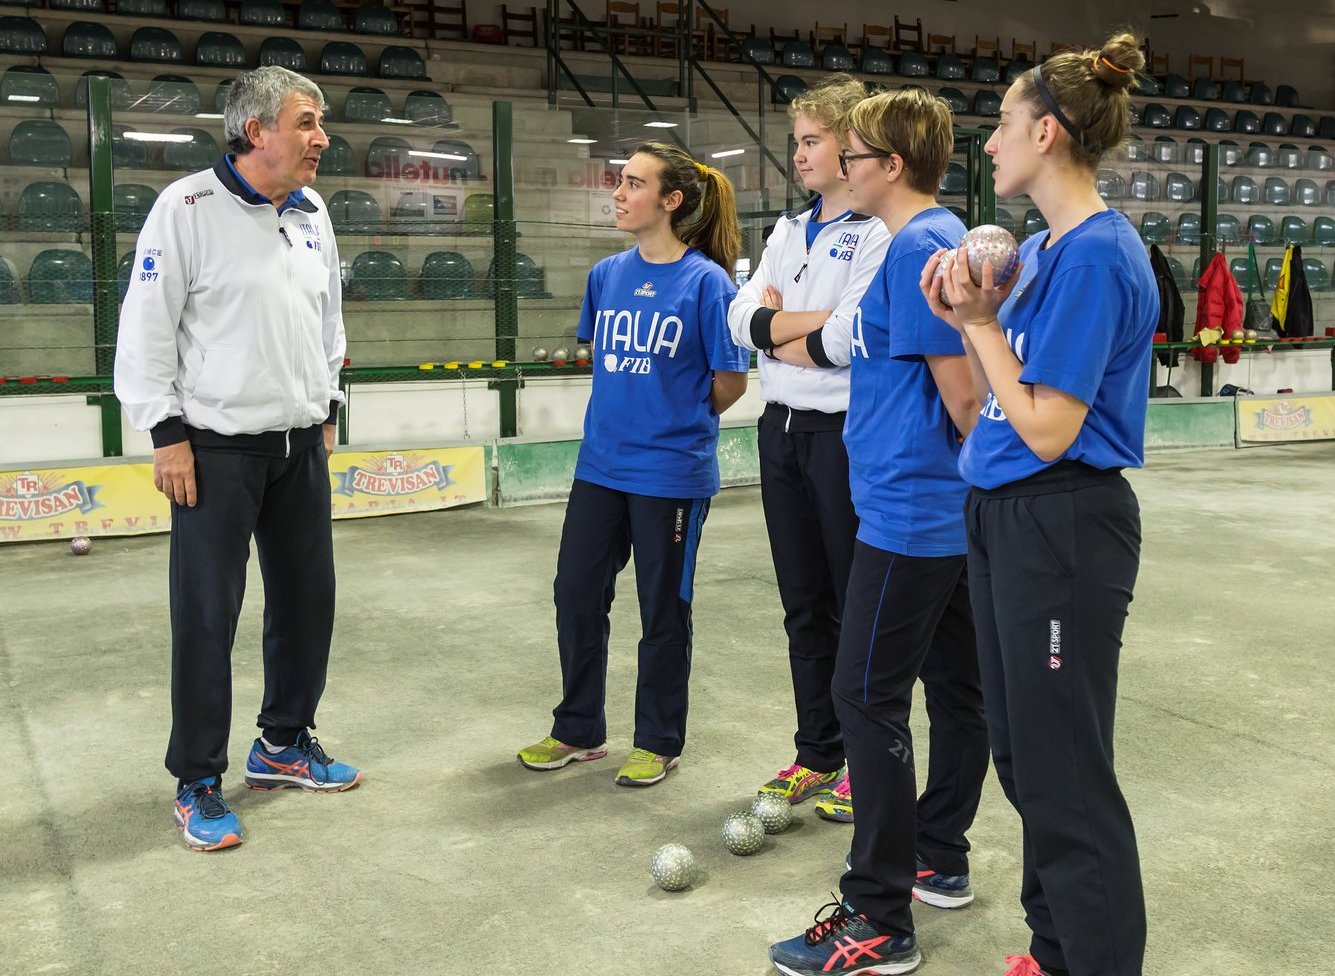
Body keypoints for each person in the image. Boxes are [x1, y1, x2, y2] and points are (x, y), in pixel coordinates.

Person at [920, 32, 1157, 976]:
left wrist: (979, 324)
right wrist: (967, 325)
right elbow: (995, 406)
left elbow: (1049, 426)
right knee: (1022, 758)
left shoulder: (1096, 254)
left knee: (1064, 770)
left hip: (1060, 518)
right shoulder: (1050, 252)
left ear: (1048, 132)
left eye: (1003, 125)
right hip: (1006, 512)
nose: (988, 145)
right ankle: (1055, 947)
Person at [769, 88, 989, 976]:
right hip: (924, 508)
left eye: (851, 157)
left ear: (889, 166)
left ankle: (878, 917)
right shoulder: (921, 243)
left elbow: (964, 394)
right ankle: (938, 854)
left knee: (864, 697)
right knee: (957, 689)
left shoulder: (918, 248)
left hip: (910, 513)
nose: (839, 171)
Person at [114, 66, 361, 853]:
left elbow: (327, 320)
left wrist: (327, 406)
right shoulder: (184, 208)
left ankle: (282, 743)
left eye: (320, 123)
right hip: (213, 450)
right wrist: (165, 433)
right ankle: (196, 779)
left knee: (306, 603)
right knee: (207, 617)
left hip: (298, 446)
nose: (321, 137)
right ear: (258, 132)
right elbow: (148, 329)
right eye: (307, 122)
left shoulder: (314, 210)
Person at [517, 143, 750, 788]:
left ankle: (658, 739)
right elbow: (607, 361)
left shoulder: (708, 284)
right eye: (619, 182)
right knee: (576, 596)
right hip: (600, 468)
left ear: (670, 201)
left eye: (633, 184)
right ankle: (578, 728)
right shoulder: (607, 274)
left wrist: (672, 418)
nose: (617, 194)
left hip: (670, 474)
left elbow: (730, 381)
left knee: (662, 609)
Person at [727, 74, 890, 821]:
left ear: (851, 147)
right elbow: (739, 318)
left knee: (855, 604)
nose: (798, 154)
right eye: (796, 141)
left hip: (842, 437)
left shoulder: (878, 232)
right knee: (802, 605)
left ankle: (867, 762)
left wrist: (782, 330)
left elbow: (848, 340)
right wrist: (785, 331)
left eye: (812, 141)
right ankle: (816, 753)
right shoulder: (787, 232)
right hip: (779, 433)